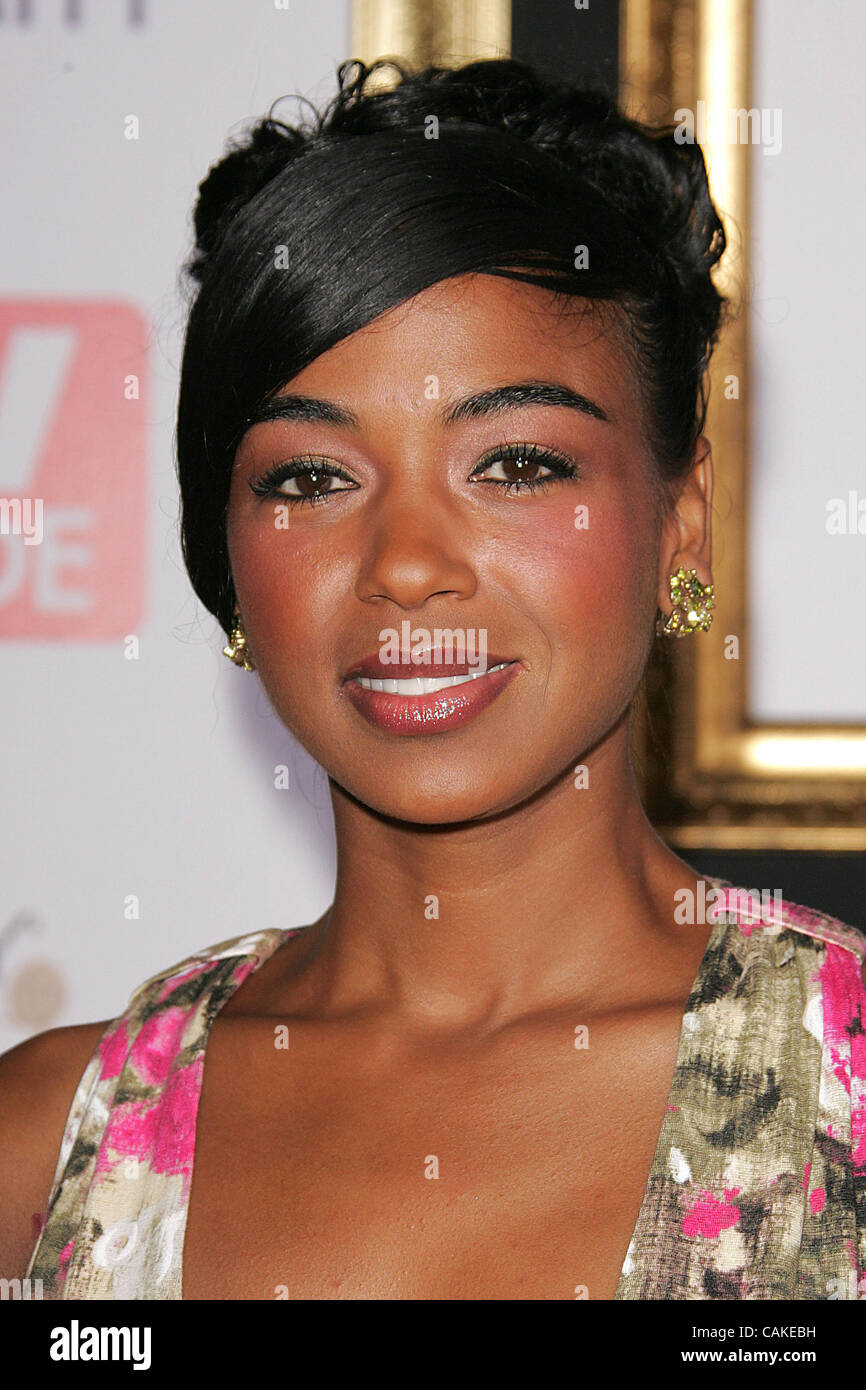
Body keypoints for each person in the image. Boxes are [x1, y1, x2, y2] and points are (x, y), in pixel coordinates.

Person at [2, 57, 864, 1301]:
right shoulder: (42, 1149)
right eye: (310, 477)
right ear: (222, 557)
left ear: (681, 521)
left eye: (513, 463)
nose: (405, 565)